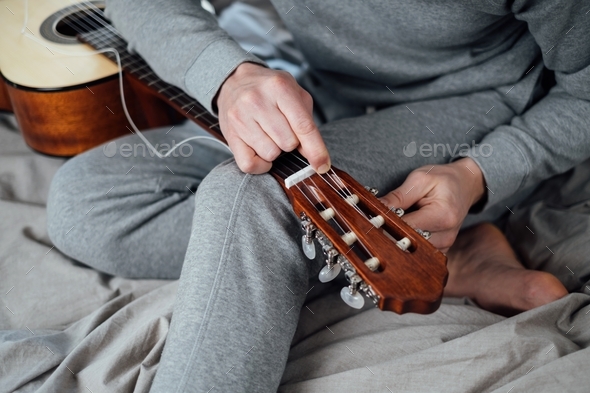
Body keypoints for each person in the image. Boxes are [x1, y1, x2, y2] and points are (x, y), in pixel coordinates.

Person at [46, 0, 590, 391]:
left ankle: (414, 237)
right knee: (84, 203)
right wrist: (228, 75)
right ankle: (417, 247)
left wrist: (477, 174)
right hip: (319, 90)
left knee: (254, 195)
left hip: (476, 106)